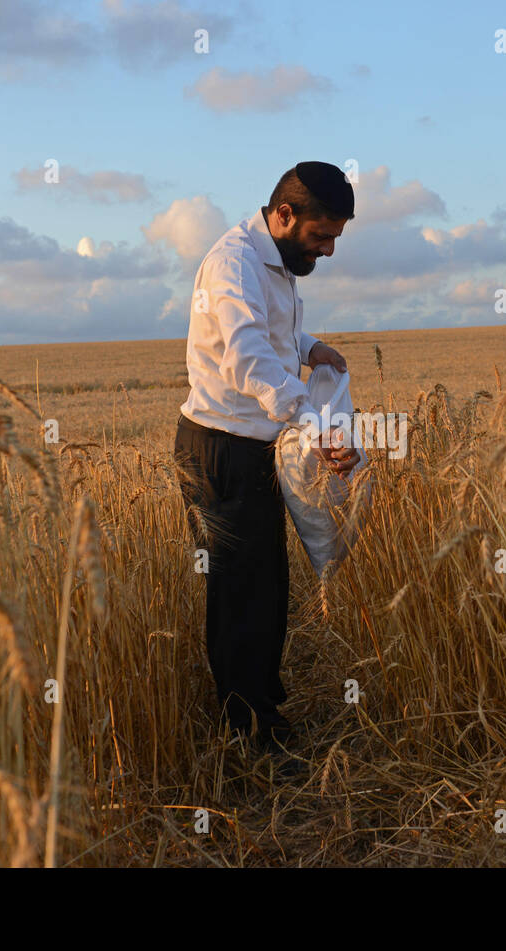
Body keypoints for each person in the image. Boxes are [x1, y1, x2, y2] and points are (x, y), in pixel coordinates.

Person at [173, 162, 361, 759]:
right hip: (222, 449)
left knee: (267, 584)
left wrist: (309, 347)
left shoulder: (275, 261)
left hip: (255, 445)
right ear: (284, 215)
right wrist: (313, 425)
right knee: (239, 592)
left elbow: (270, 333)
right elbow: (247, 357)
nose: (328, 250)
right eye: (321, 236)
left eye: (334, 237)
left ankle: (263, 706)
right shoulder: (232, 263)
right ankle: (248, 733)